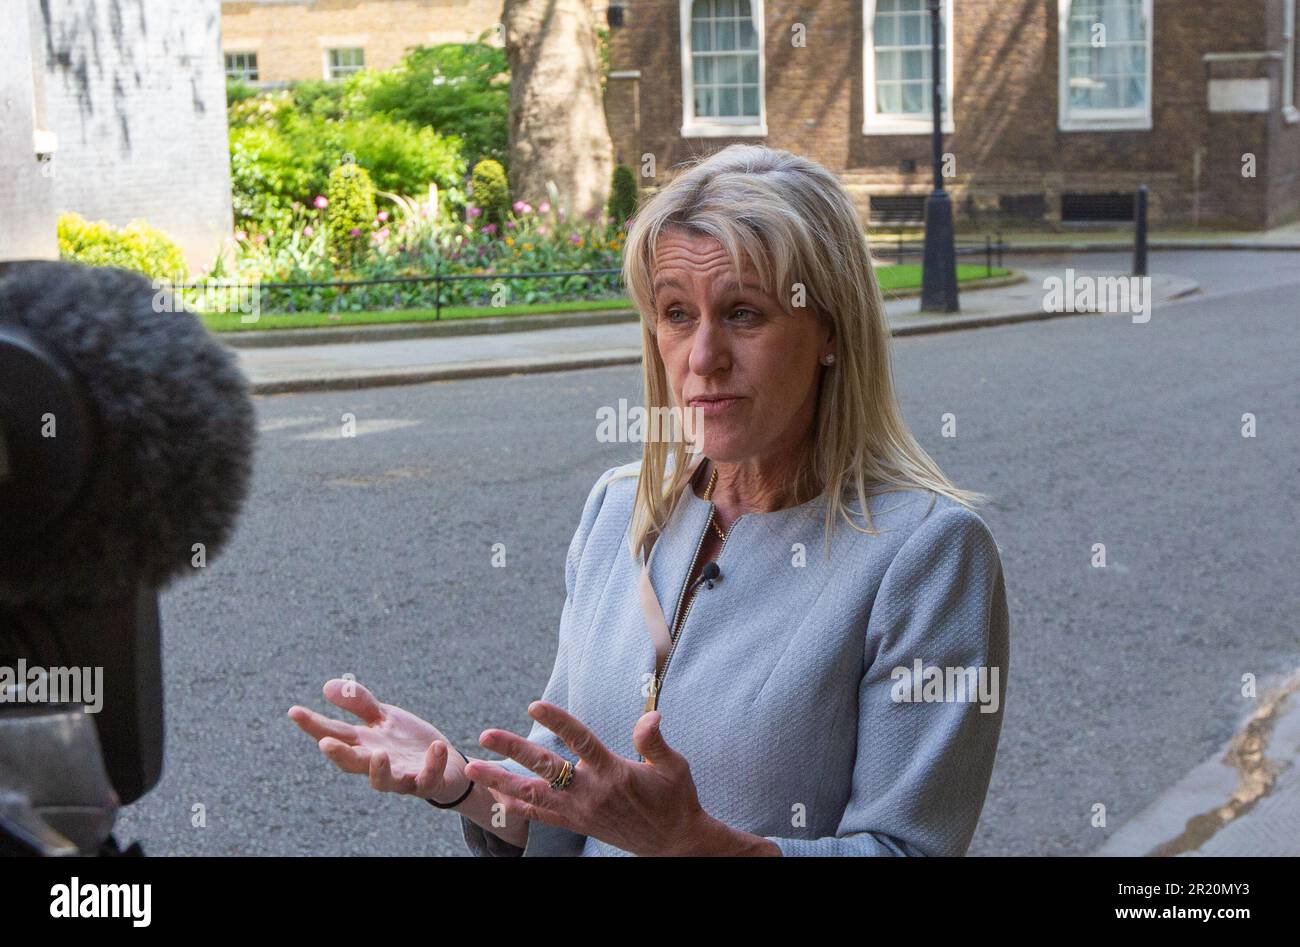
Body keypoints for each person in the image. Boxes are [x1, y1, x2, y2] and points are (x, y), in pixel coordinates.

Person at [288, 144, 1010, 856]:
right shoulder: (618, 509)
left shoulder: (928, 554)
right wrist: (462, 782)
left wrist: (700, 848)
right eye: (675, 313)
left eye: (745, 313)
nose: (702, 358)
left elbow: (905, 848)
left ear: (830, 328)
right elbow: (572, 798)